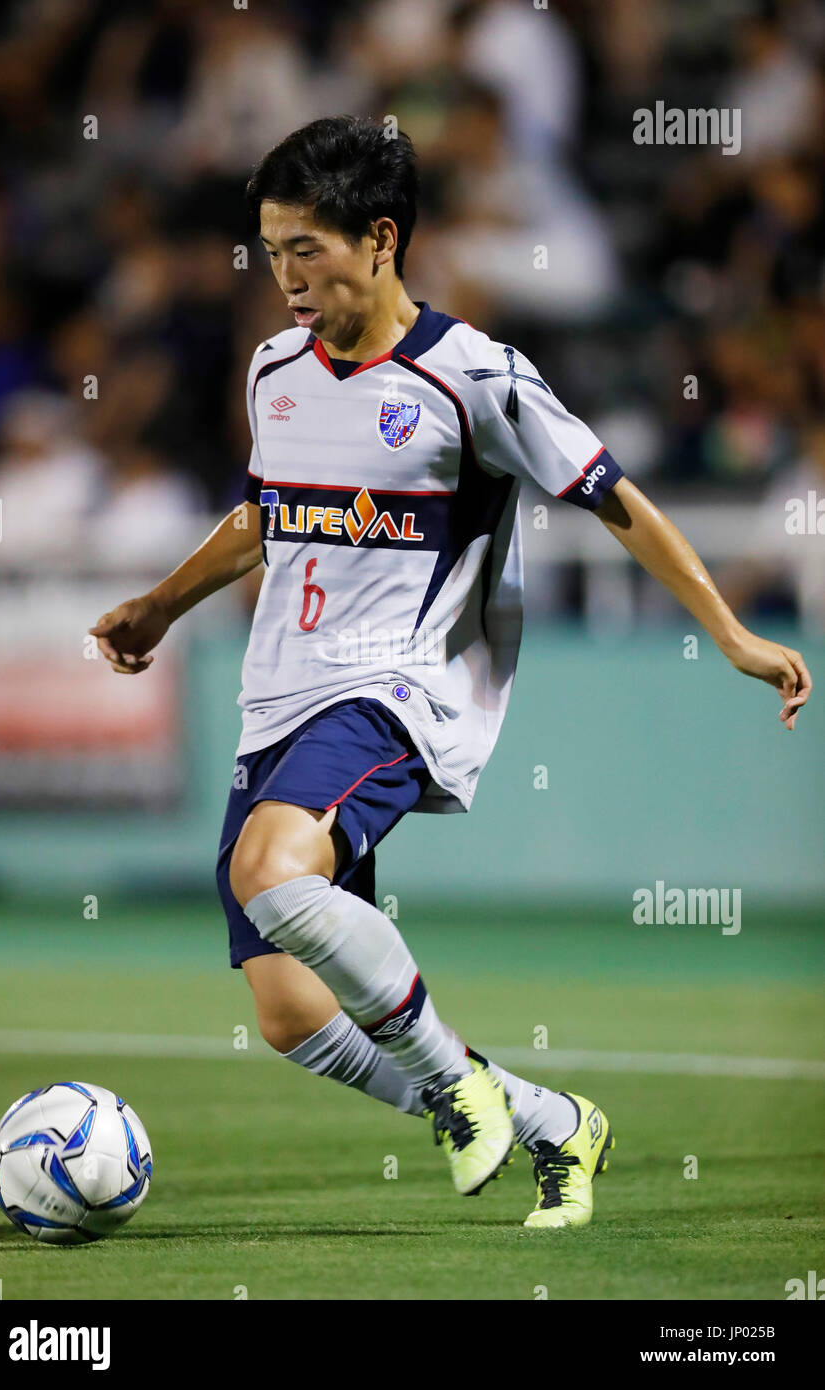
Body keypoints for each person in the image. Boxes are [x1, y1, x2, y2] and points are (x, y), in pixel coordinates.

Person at [90, 116, 812, 1231]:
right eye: (271, 250)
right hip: (278, 692)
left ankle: (459, 1085)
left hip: (400, 686)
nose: (283, 278)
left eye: (307, 251)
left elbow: (611, 496)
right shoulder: (275, 369)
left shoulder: (469, 376)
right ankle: (546, 1120)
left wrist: (726, 632)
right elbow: (266, 516)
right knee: (287, 1011)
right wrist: (158, 603)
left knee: (273, 870)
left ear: (380, 239)